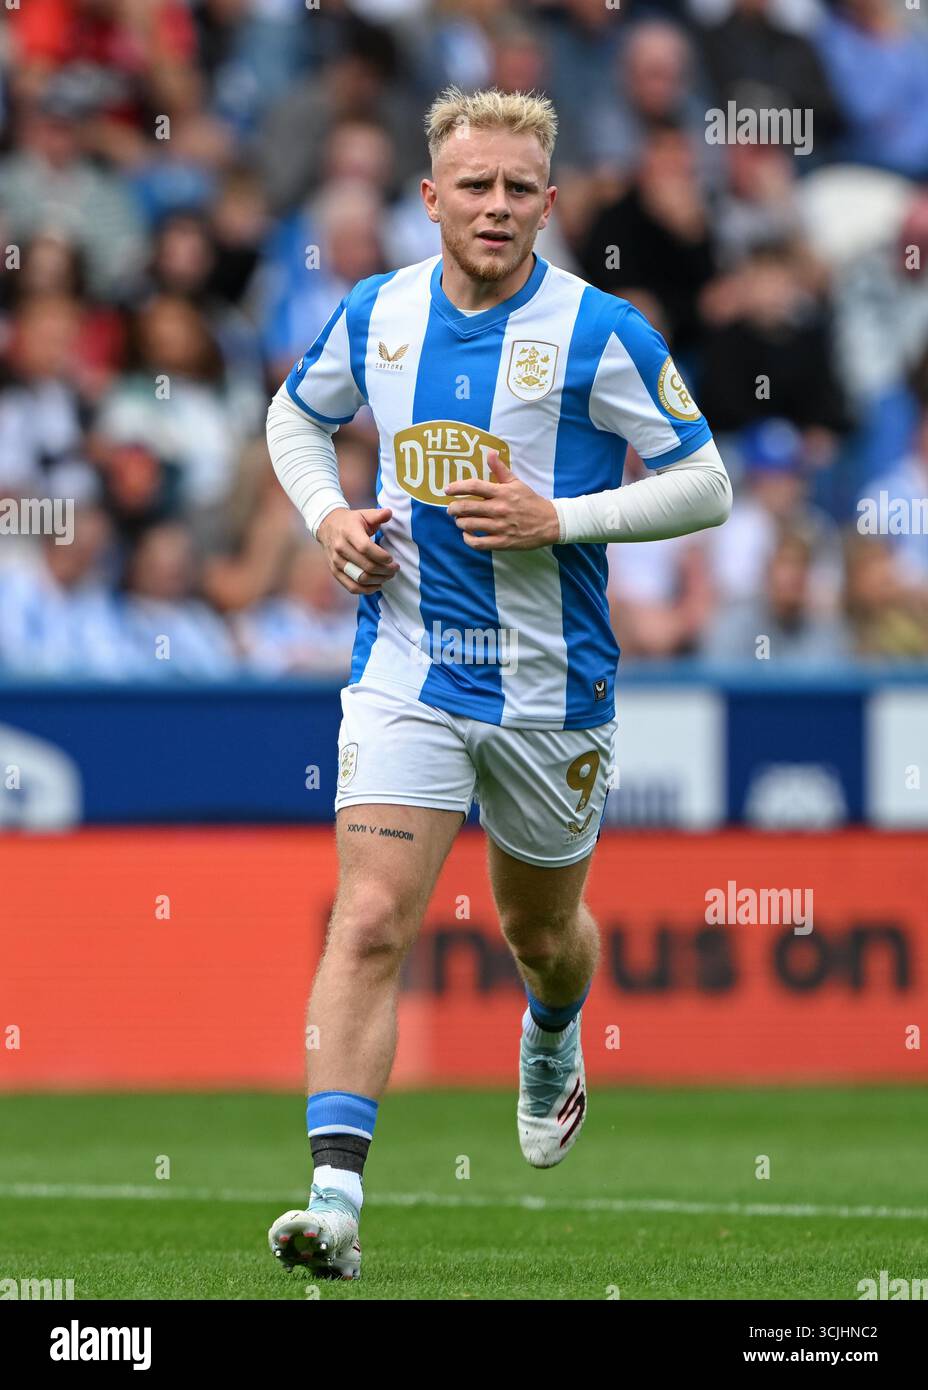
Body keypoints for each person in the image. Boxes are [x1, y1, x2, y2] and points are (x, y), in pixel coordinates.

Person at [264, 86, 732, 1280]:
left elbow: (704, 484)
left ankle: (554, 1032)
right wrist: (330, 519)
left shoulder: (599, 331)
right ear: (431, 197)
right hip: (405, 668)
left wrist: (559, 516)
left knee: (541, 934)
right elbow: (295, 417)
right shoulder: (376, 314)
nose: (496, 205)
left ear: (549, 201)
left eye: (519, 188)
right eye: (474, 185)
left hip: (549, 690)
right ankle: (334, 1202)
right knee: (368, 918)